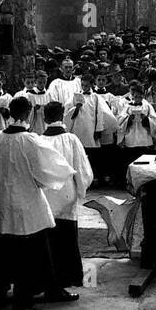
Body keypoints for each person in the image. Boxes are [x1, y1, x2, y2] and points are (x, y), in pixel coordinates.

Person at [0, 95, 75, 310]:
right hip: (26, 208)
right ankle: (22, 304)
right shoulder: (30, 140)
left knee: (2, 254)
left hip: (0, 207)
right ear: (28, 114)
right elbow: (52, 170)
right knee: (30, 258)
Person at [40, 100, 92, 292]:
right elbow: (82, 169)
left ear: (44, 118)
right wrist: (81, 190)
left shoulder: (38, 140)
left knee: (47, 240)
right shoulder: (71, 139)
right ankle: (65, 280)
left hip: (44, 197)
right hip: (67, 194)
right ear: (62, 116)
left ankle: (47, 281)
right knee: (66, 239)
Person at [65, 70, 119, 183]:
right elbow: (68, 112)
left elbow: (100, 114)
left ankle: (94, 177)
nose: (84, 87)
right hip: (78, 129)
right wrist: (76, 107)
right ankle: (80, 178)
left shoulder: (95, 97)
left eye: (87, 85)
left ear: (91, 85)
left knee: (93, 155)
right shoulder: (75, 97)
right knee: (79, 154)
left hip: (91, 130)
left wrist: (98, 129)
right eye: (82, 85)